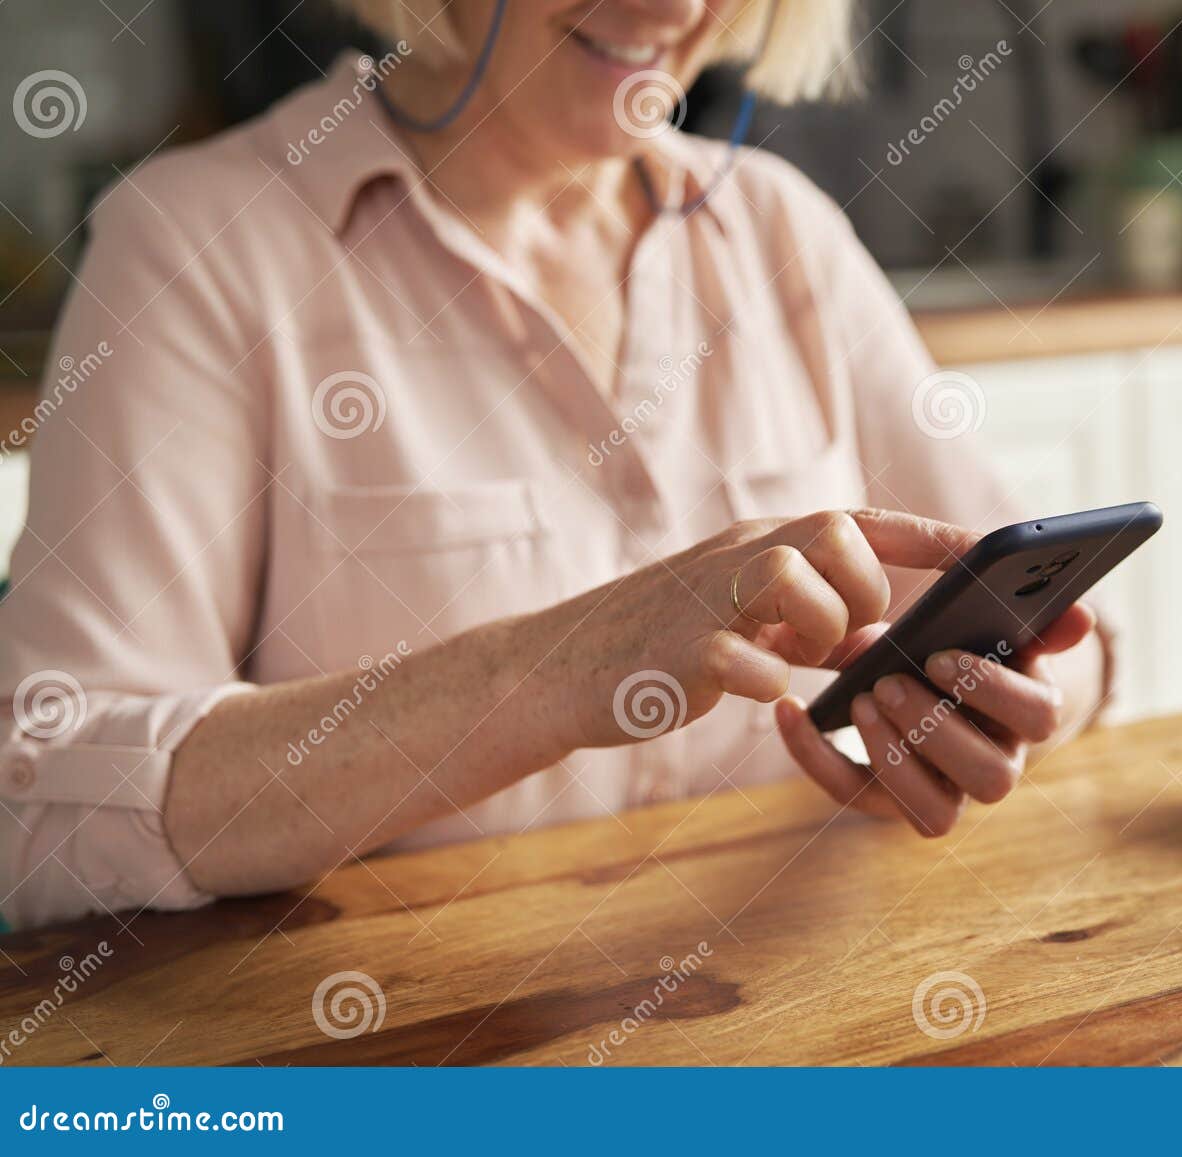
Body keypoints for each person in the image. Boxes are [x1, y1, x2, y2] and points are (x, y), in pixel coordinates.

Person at [0, 0, 1107, 930]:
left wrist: (995, 702)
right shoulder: (198, 243)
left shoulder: (782, 228)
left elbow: (1059, 630)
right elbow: (46, 812)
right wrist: (560, 668)